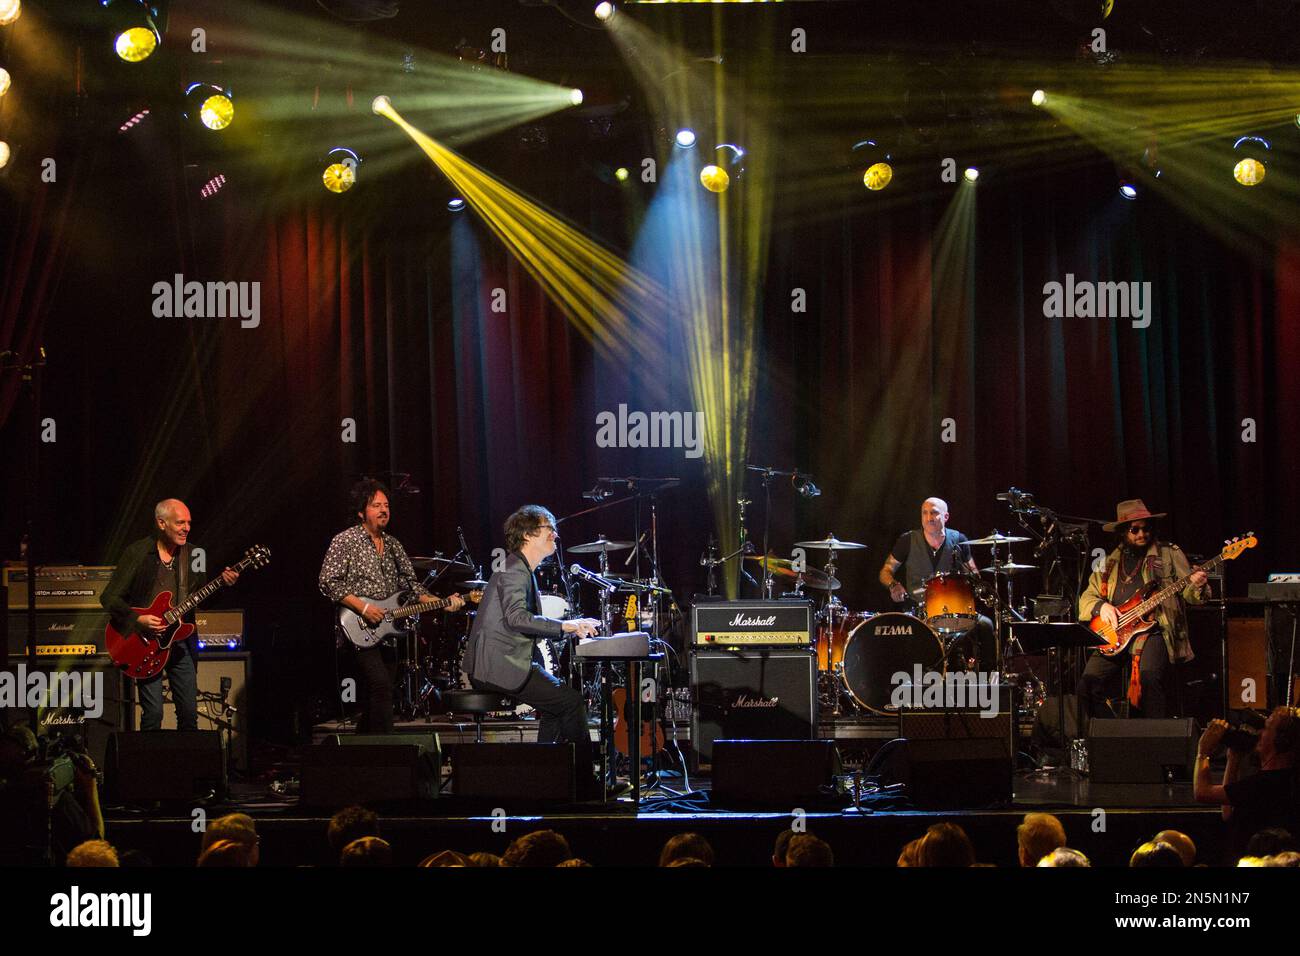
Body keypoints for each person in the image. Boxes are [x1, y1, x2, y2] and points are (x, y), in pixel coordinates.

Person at [461, 505, 603, 795]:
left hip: (506, 658)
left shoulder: (520, 567)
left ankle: (542, 779)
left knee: (556, 704)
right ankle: (587, 787)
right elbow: (516, 619)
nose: (555, 534)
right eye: (548, 528)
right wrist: (568, 626)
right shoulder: (515, 570)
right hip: (498, 664)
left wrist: (569, 627)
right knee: (571, 702)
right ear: (528, 535)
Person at [319, 479, 464, 733]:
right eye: (376, 505)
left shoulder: (394, 545)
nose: (384, 510)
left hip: (386, 631)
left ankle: (366, 752)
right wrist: (364, 608)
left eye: (386, 505)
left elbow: (413, 588)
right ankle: (387, 751)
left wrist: (442, 603)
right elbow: (327, 582)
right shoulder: (345, 540)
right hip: (356, 625)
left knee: (379, 694)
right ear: (361, 511)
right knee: (381, 686)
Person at [102, 499, 239, 731]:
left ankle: (185, 766)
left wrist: (223, 584)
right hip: (145, 643)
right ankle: (150, 765)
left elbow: (202, 601)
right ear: (161, 523)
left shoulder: (195, 555)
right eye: (180, 522)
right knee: (153, 714)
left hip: (181, 643)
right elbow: (109, 598)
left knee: (188, 713)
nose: (186, 528)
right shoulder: (137, 553)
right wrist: (137, 620)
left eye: (189, 523)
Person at [1076, 500, 1208, 721]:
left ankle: (1154, 742)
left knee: (1149, 678)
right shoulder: (1108, 562)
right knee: (1087, 684)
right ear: (1122, 533)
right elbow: (1086, 599)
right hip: (1115, 634)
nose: (1141, 534)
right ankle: (1111, 736)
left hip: (1153, 631)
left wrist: (1197, 584)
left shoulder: (1169, 554)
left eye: (1146, 528)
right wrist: (1102, 606)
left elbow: (1190, 596)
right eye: (1134, 529)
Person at [880, 497, 996, 667]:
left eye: (934, 513)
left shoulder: (958, 539)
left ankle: (989, 682)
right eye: (925, 513)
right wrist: (893, 585)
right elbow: (886, 571)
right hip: (918, 611)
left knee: (986, 625)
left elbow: (974, 574)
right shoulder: (908, 540)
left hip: (955, 610)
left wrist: (969, 584)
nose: (929, 518)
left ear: (946, 516)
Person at [1194, 707, 1300, 862]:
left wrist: (1203, 752)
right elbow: (1228, 812)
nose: (1258, 733)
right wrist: (1233, 760)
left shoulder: (1267, 783)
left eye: (1265, 728)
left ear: (1281, 741)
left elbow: (1202, 792)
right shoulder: (1285, 778)